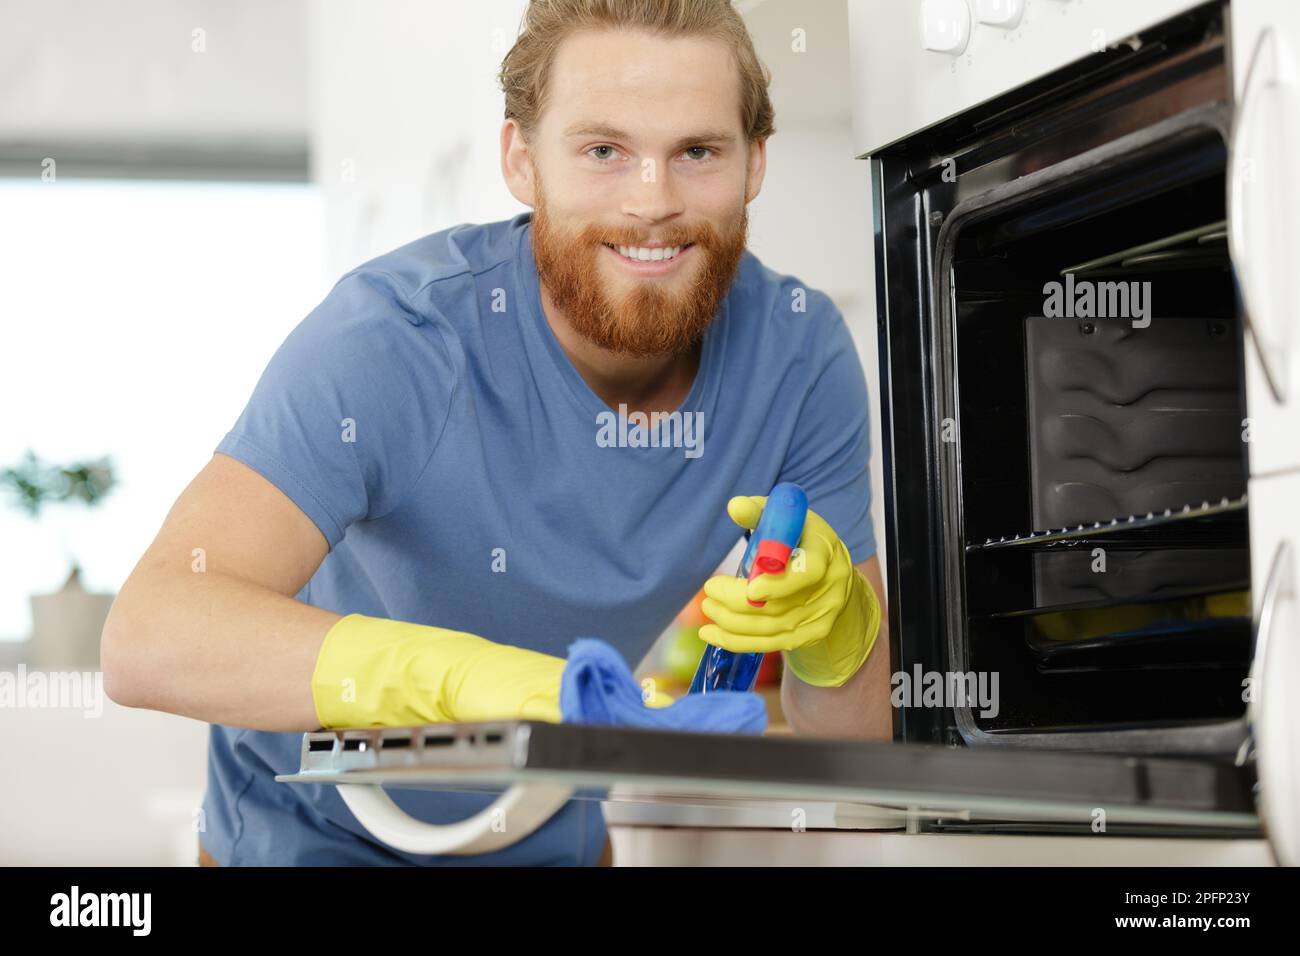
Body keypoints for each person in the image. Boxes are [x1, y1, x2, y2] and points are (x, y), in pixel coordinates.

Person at [101, 0, 891, 867]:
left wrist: (839, 629)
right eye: (603, 151)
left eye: (697, 152)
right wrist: (460, 679)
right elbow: (149, 634)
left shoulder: (800, 352)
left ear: (755, 165)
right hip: (304, 835)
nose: (653, 202)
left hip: (552, 836)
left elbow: (855, 754)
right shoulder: (393, 340)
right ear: (521, 160)